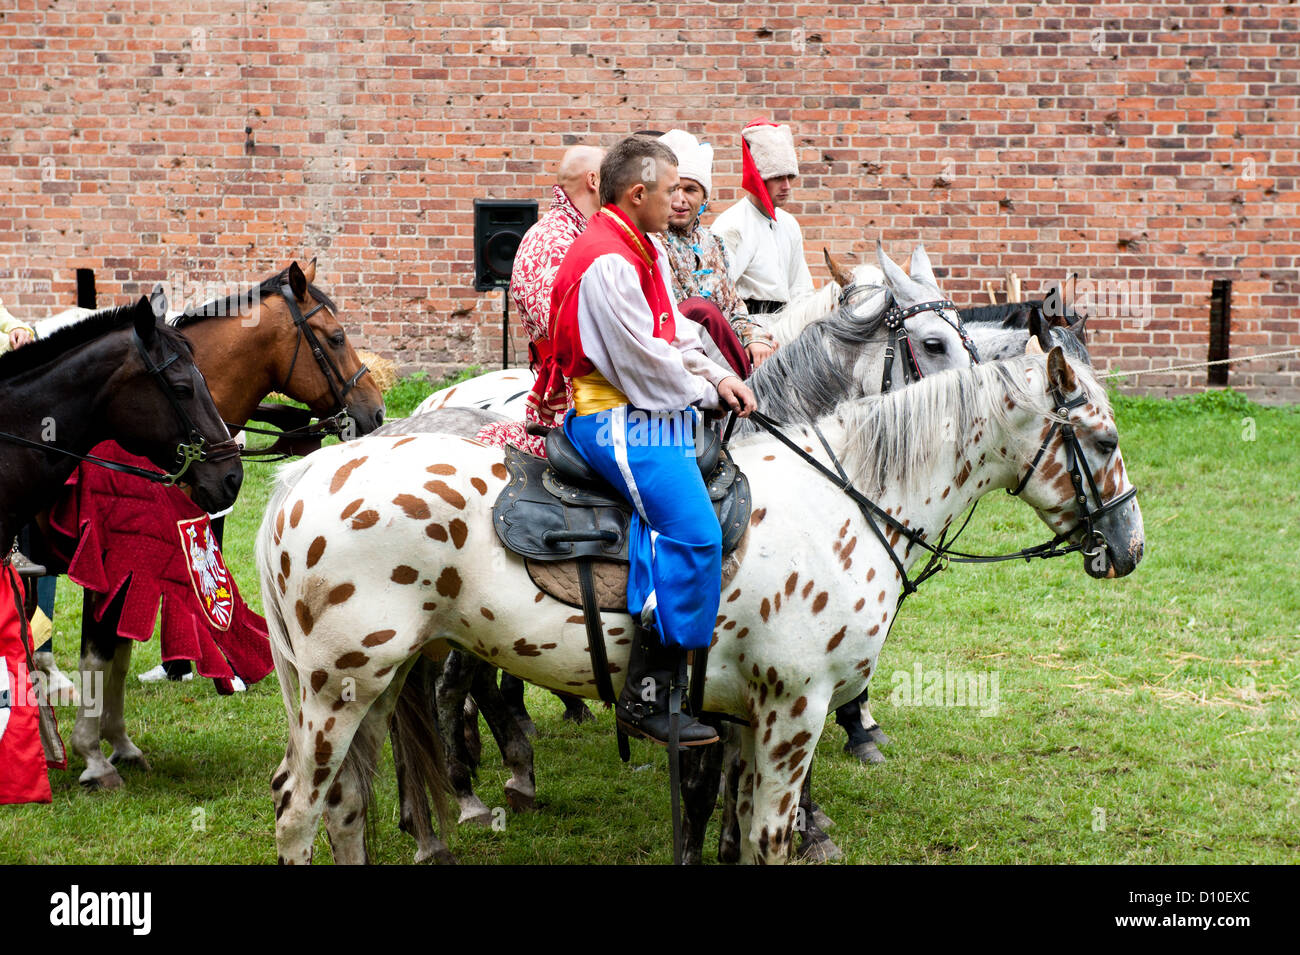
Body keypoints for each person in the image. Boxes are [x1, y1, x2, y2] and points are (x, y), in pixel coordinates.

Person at [549, 136, 757, 746]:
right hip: (617, 418)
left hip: (651, 407)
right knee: (696, 532)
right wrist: (705, 395)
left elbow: (678, 335)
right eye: (671, 190)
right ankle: (647, 697)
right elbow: (643, 365)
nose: (678, 201)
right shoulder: (608, 260)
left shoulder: (647, 250)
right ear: (639, 193)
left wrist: (721, 372)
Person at [655, 129, 777, 375]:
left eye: (690, 190)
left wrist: (754, 337)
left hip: (721, 359)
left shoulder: (714, 245)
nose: (679, 200)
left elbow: (733, 308)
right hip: (675, 366)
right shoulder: (651, 242)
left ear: (704, 198)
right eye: (673, 190)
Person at [511, 144, 605, 448]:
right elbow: (569, 330)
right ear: (594, 181)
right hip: (574, 401)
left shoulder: (582, 233)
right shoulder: (549, 240)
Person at [712, 119, 815, 316]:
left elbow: (800, 288)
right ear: (759, 177)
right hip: (748, 325)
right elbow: (721, 293)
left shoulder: (789, 224)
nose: (787, 186)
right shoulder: (731, 225)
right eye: (778, 178)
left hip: (786, 325)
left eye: (789, 177)